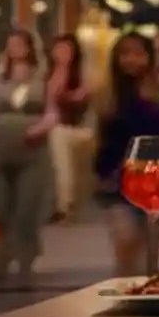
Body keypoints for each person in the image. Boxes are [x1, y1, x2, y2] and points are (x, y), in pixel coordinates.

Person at [93, 31, 159, 275]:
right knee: (125, 241)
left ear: (149, 57)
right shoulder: (106, 95)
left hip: (154, 178)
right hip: (114, 178)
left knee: (149, 253)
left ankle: (144, 296)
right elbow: (99, 138)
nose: (132, 60)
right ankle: (125, 292)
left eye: (138, 53)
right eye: (125, 54)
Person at [0, 28, 58, 281]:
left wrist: (40, 128)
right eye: (11, 45)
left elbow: (52, 111)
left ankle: (25, 262)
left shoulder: (43, 78)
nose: (15, 50)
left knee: (26, 208)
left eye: (20, 45)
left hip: (32, 151)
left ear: (30, 47)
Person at [45, 33, 91, 221]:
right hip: (48, 129)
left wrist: (63, 69)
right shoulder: (45, 73)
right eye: (59, 49)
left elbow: (66, 99)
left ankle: (64, 204)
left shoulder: (84, 75)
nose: (62, 53)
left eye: (66, 49)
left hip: (78, 129)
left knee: (58, 137)